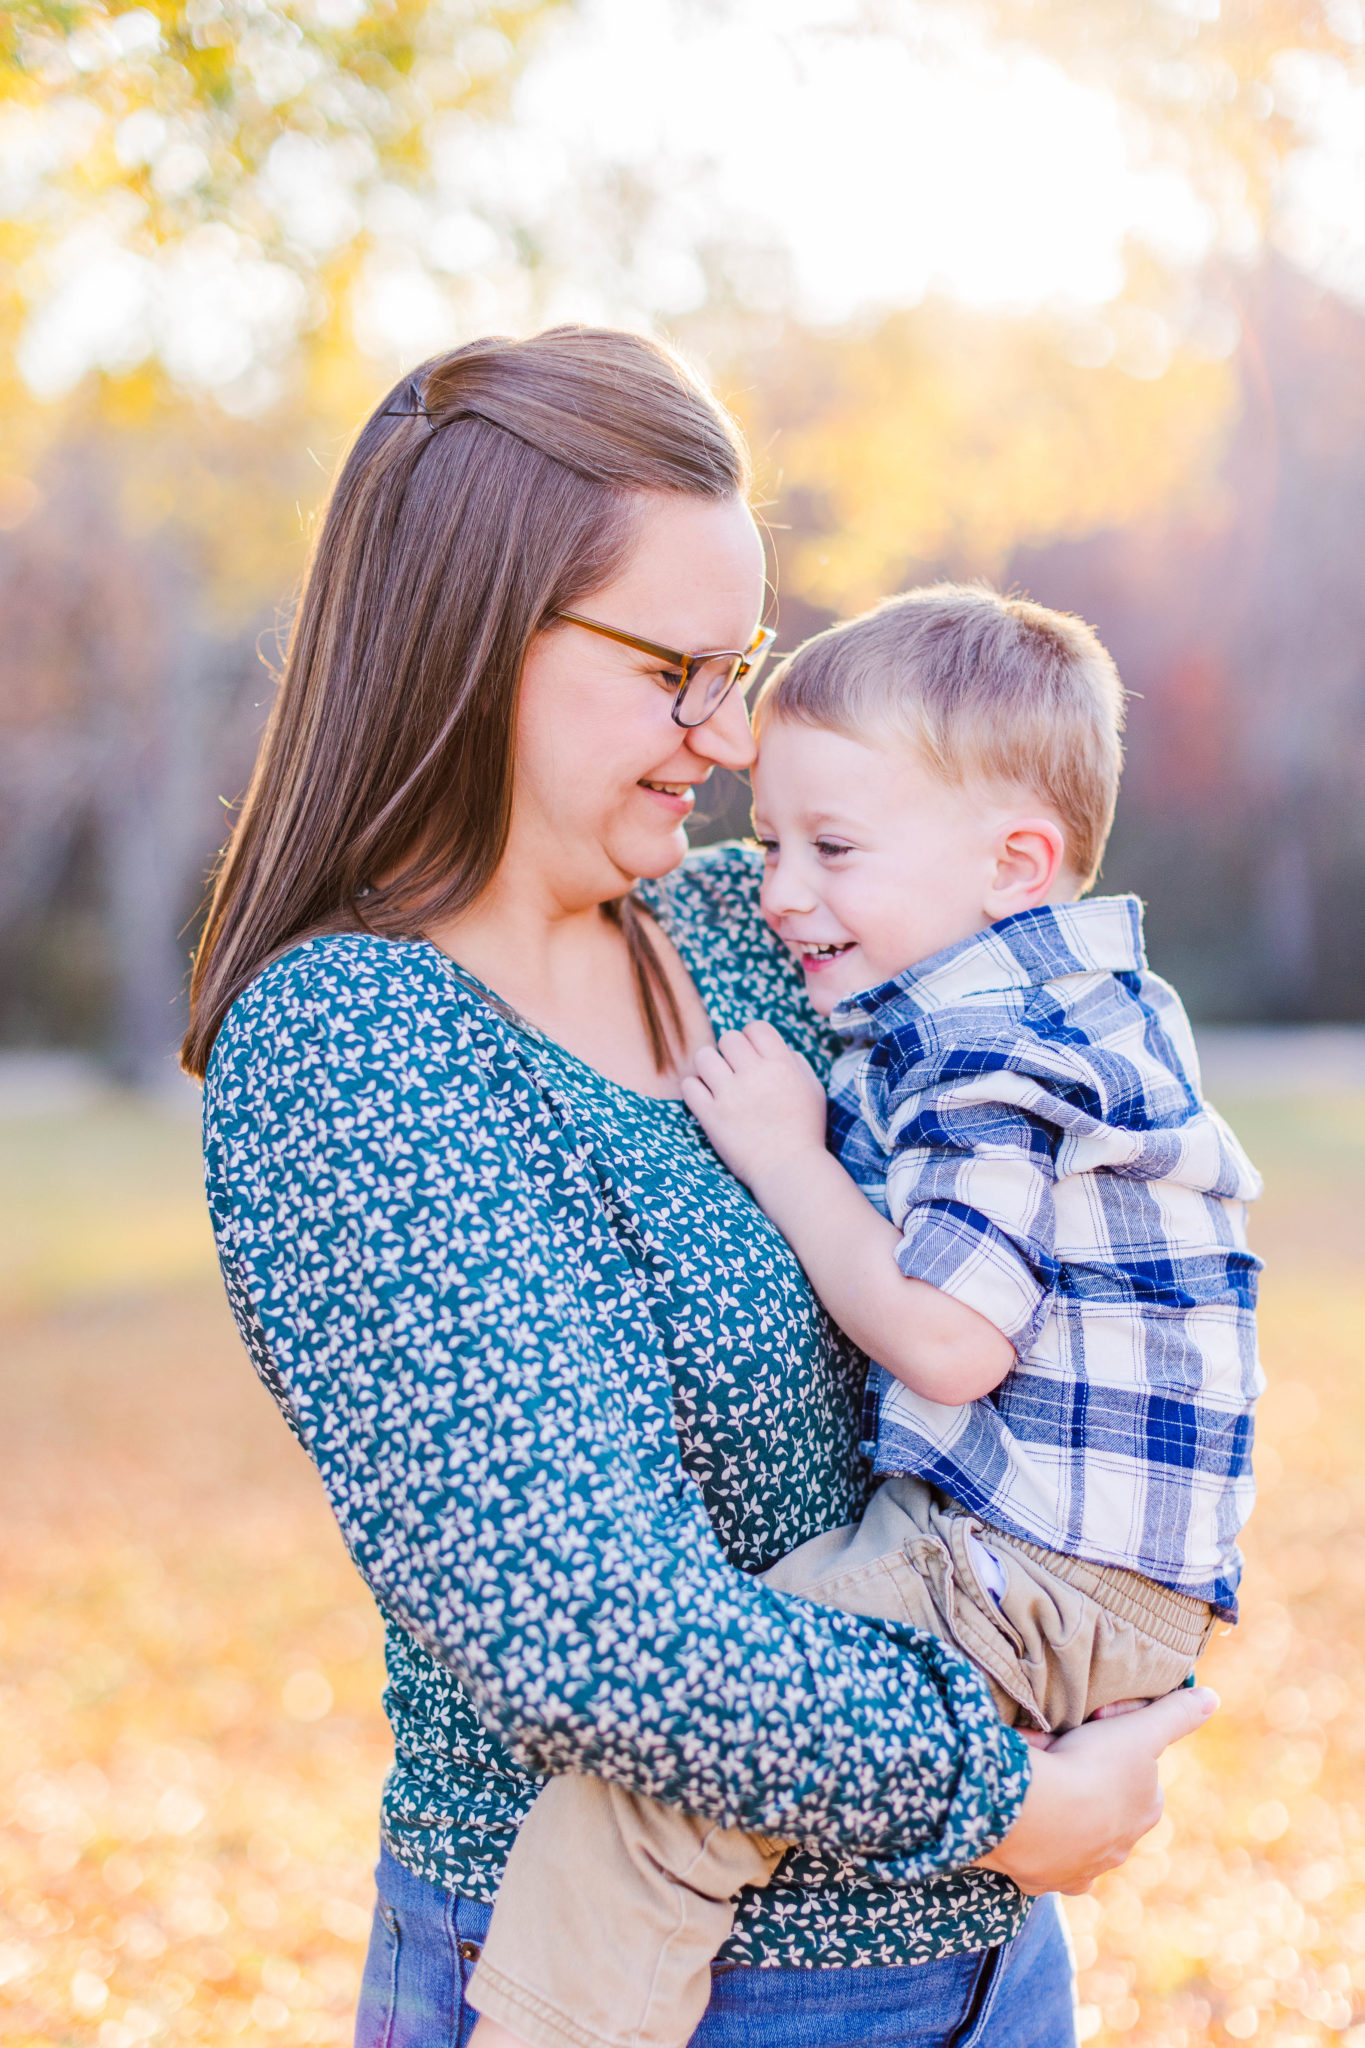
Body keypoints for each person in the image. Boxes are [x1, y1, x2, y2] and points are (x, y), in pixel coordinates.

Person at [182, 331, 1217, 2048]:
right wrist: (1006, 1795)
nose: (726, 737)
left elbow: (1070, 1157)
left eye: (734, 668)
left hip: (990, 1978)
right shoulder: (355, 1043)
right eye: (675, 670)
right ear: (475, 641)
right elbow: (589, 1627)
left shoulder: (750, 931)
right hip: (660, 1999)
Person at [466, 586, 1257, 2048]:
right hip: (1071, 1564)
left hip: (1029, 1570)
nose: (777, 893)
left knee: (666, 1785)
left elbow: (951, 1338)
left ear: (1014, 864)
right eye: (771, 842)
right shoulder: (1077, 1002)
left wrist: (786, 1158)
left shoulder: (989, 1050)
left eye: (830, 848)